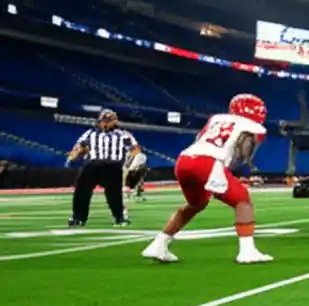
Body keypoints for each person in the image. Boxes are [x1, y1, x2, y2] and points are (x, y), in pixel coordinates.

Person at [142, 94, 272, 264]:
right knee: (243, 201)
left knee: (196, 204)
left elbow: (200, 139)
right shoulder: (254, 127)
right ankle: (247, 251)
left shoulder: (216, 118)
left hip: (185, 159)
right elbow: (244, 150)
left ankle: (159, 244)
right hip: (208, 162)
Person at [66, 109, 137, 227]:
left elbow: (134, 149)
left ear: (115, 122)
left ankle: (119, 217)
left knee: (114, 194)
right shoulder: (90, 133)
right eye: (104, 120)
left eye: (109, 121)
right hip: (92, 164)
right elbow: (79, 146)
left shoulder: (123, 134)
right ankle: (78, 217)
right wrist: (74, 154)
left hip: (113, 165)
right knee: (81, 191)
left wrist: (128, 162)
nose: (105, 123)